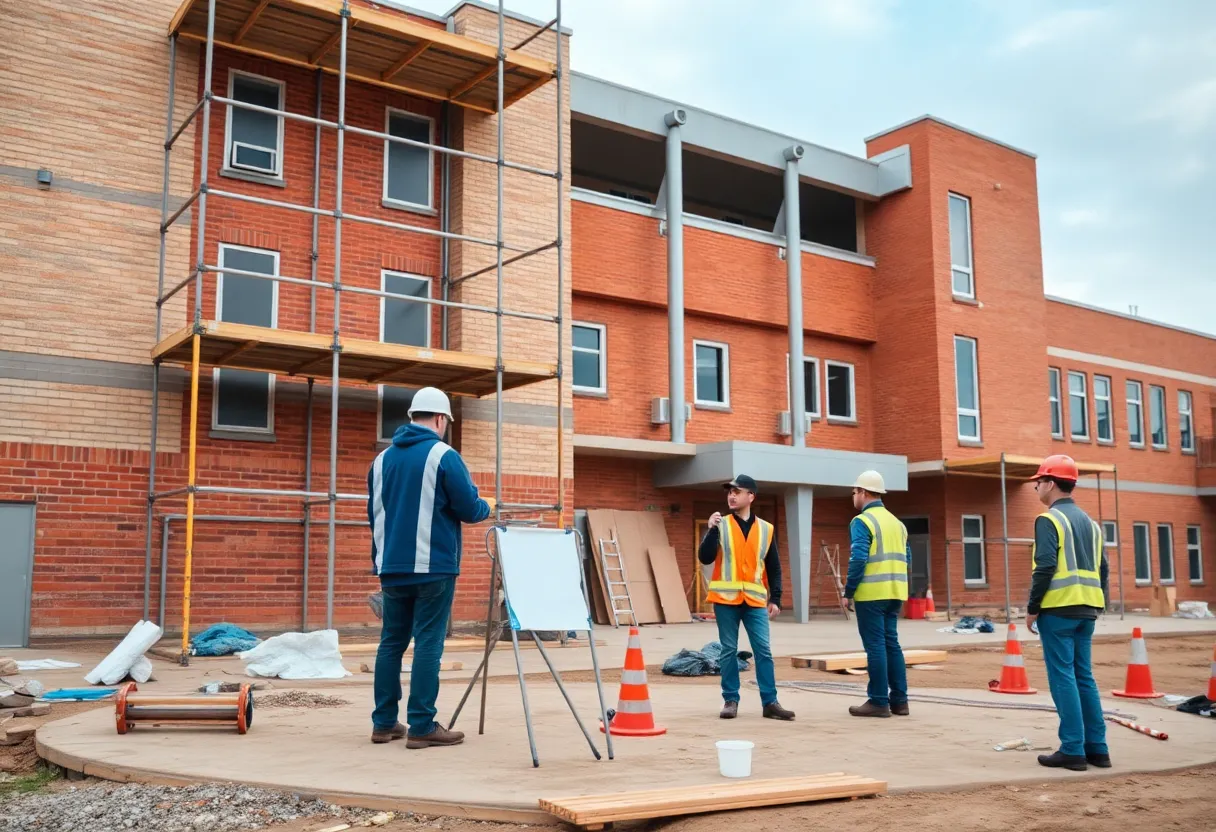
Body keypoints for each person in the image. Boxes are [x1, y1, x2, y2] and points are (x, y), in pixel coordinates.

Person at [367, 387, 492, 749]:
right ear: (441, 419)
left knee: (391, 642)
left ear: (412, 416)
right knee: (428, 644)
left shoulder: (380, 461)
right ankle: (422, 725)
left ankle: (384, 723)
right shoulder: (443, 455)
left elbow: (374, 516)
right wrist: (487, 505)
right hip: (433, 567)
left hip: (391, 566)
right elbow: (469, 509)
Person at [1025, 454, 1110, 771]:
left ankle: (1073, 748)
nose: (1036, 488)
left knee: (1063, 677)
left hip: (1058, 608)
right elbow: (1103, 568)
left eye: (1038, 482)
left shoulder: (1049, 520)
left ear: (1049, 483)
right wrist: (1098, 602)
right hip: (1087, 609)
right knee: (1083, 677)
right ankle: (1097, 749)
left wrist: (1033, 608)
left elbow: (1045, 565)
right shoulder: (1092, 524)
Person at [698, 475, 795, 721]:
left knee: (764, 651)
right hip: (726, 601)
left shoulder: (766, 529)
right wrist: (710, 530)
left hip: (754, 602)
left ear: (751, 496)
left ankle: (770, 702)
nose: (731, 495)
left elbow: (774, 566)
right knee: (728, 650)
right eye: (729, 491)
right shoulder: (721, 524)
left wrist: (777, 598)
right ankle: (731, 700)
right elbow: (705, 558)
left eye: (737, 491)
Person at [843, 470, 911, 718]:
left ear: (862, 492)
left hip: (871, 594)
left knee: (875, 646)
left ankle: (879, 701)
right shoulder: (897, 523)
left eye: (854, 492)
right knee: (891, 644)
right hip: (895, 592)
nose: (853, 497)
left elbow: (858, 557)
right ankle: (900, 701)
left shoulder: (862, 521)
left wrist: (848, 591)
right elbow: (908, 557)